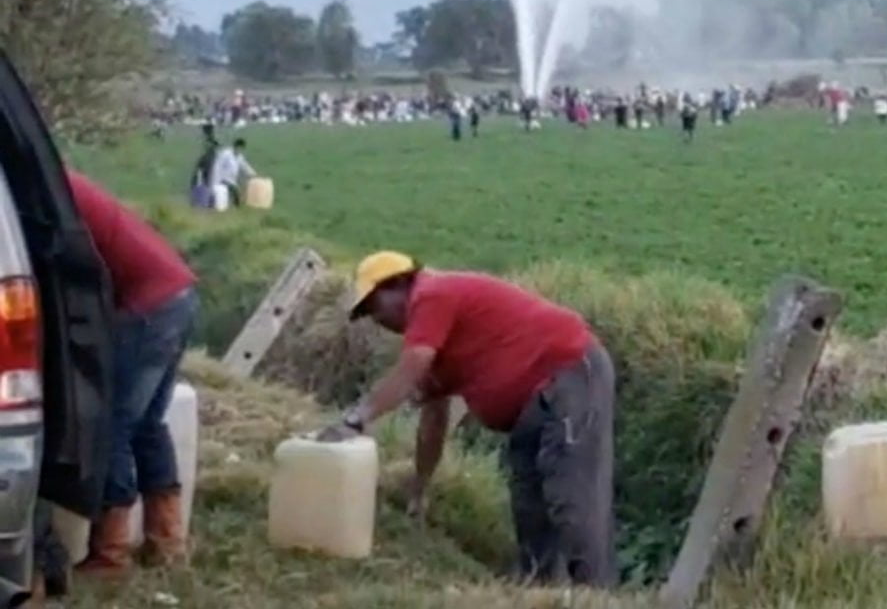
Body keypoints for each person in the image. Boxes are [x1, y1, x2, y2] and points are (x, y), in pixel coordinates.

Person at [318, 252, 617, 587]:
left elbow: (413, 363)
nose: (377, 320)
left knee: (572, 498)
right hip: (530, 408)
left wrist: (358, 418)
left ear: (398, 285)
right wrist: (419, 488)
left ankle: (598, 595)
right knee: (529, 505)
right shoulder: (435, 339)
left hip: (568, 375)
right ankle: (542, 592)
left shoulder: (432, 293)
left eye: (375, 307)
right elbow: (433, 418)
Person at [67, 169, 199, 576]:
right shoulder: (56, 180)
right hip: (178, 294)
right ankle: (167, 543)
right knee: (146, 424)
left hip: (148, 308)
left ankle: (112, 553)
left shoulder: (40, 194)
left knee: (111, 425)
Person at [209, 137, 256, 206]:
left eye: (241, 149)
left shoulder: (239, 157)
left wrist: (253, 174)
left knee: (234, 193)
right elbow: (217, 166)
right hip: (223, 179)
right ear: (235, 146)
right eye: (239, 148)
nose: (240, 150)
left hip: (232, 180)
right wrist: (215, 181)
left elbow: (245, 166)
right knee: (235, 192)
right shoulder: (226, 154)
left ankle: (233, 208)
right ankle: (236, 207)